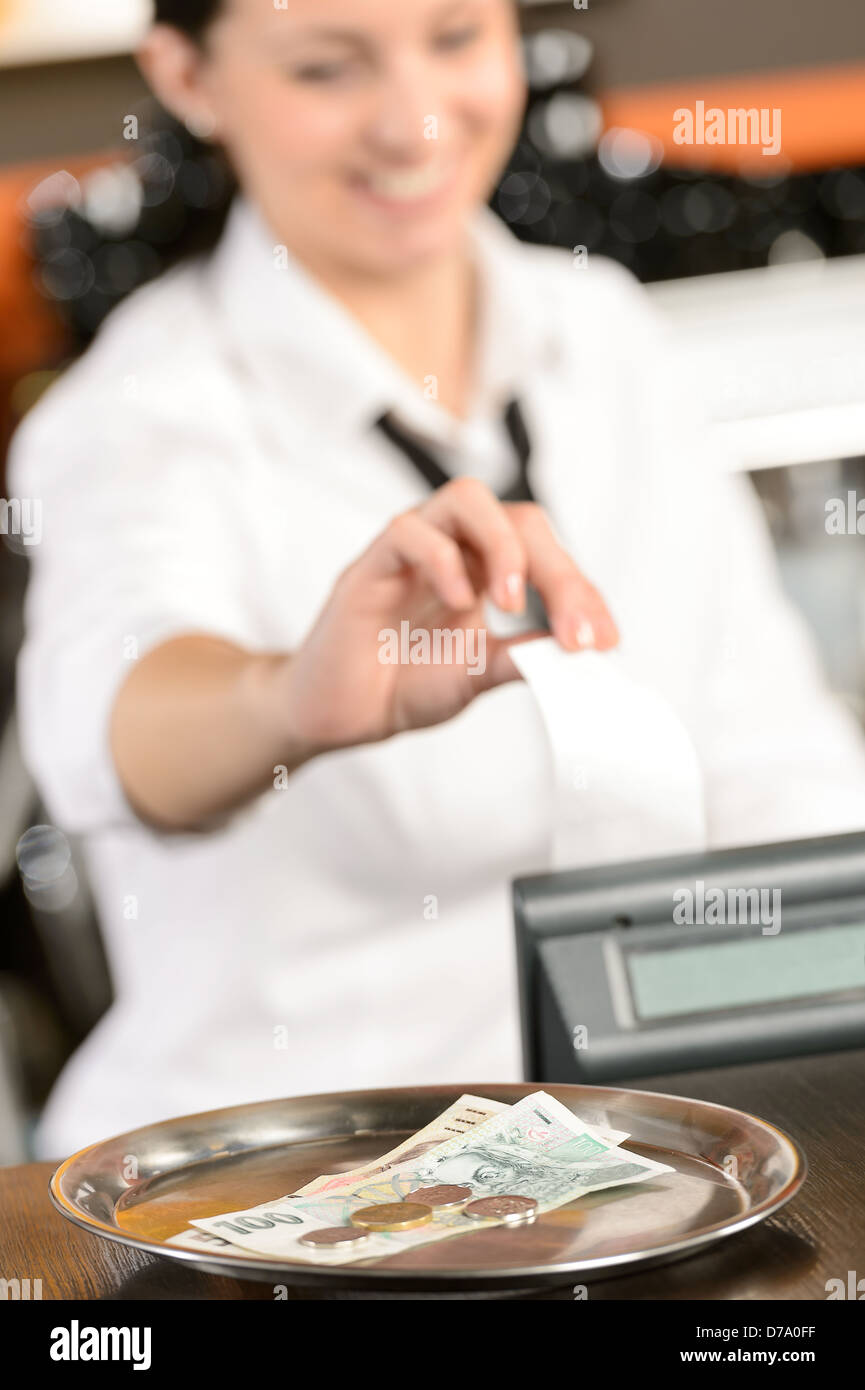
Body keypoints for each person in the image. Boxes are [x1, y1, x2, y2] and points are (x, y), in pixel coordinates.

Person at [11, 0, 865, 1157]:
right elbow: (118, 731)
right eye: (326, 68)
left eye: (458, 40)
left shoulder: (604, 332)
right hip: (288, 1184)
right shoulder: (138, 415)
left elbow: (775, 767)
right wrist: (287, 700)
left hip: (626, 1164)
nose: (415, 123)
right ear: (187, 76)